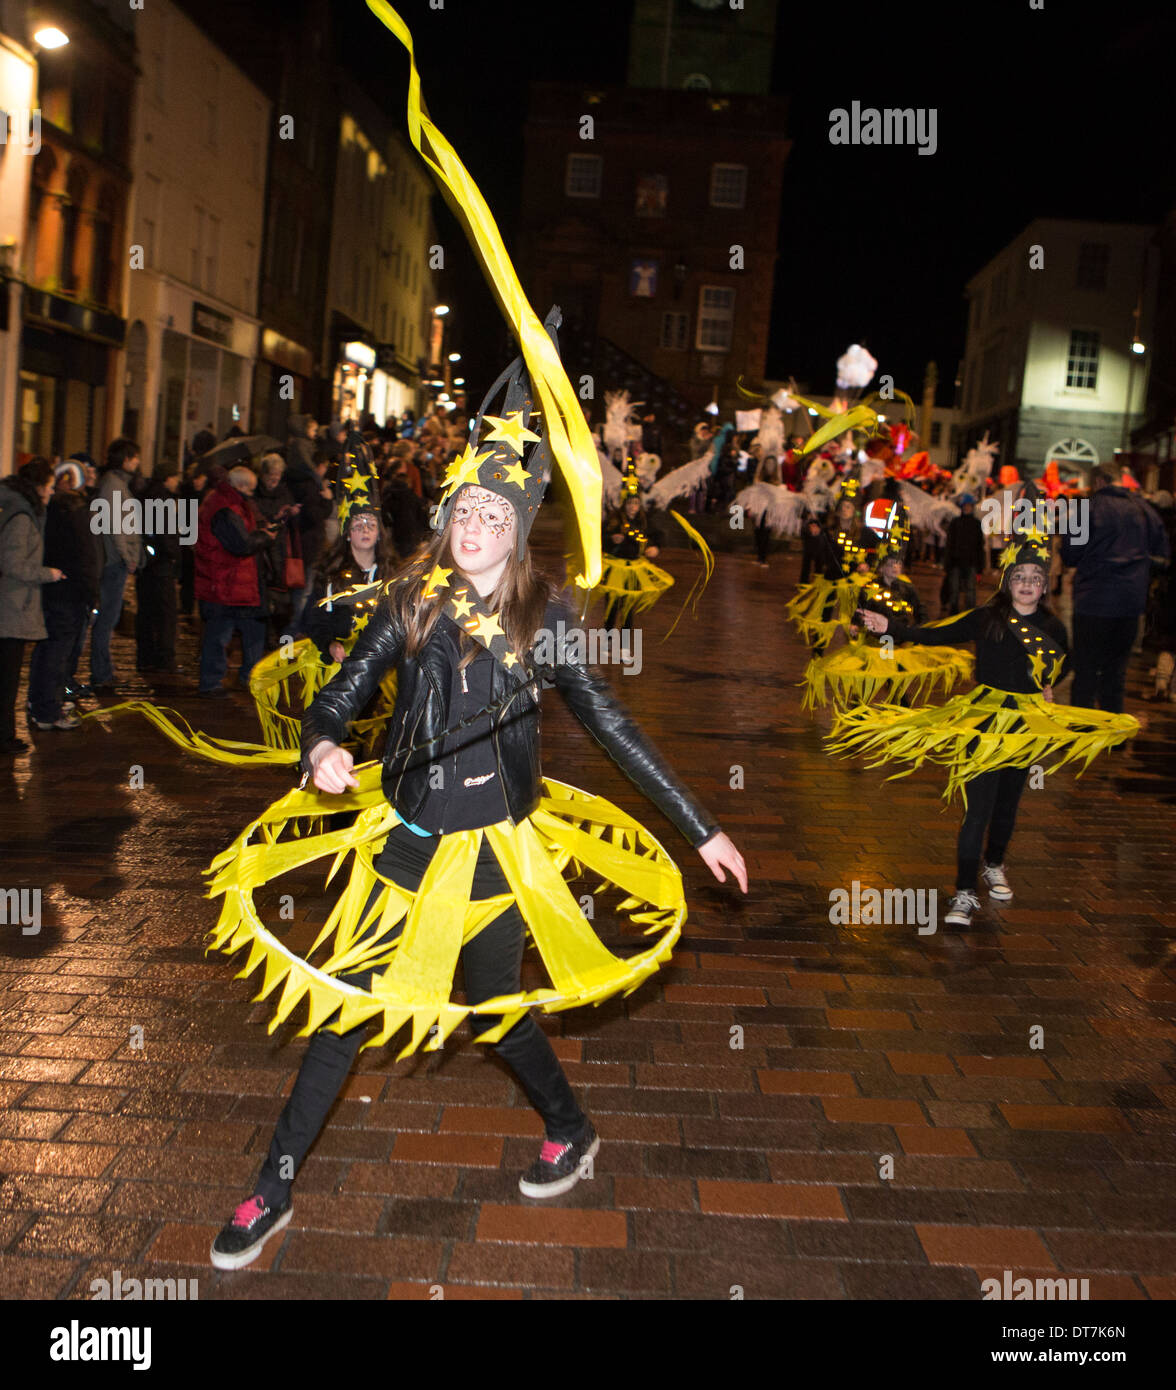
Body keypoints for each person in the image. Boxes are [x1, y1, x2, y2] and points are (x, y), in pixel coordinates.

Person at [208, 313, 747, 1269]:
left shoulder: (549, 621)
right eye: (466, 512)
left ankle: (570, 1127)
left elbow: (613, 727)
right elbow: (338, 692)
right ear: (450, 516)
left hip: (495, 845)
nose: (477, 528)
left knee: (496, 1006)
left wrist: (700, 826)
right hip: (409, 830)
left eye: (496, 517)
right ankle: (272, 1187)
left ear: (518, 530)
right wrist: (323, 744)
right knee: (345, 1001)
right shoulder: (410, 599)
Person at [846, 531, 1137, 929]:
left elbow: (1065, 664)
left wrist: (1050, 685)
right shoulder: (988, 618)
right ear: (1007, 581)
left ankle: (994, 864)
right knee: (977, 810)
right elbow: (935, 633)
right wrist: (891, 626)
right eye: (1020, 577)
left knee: (1007, 805)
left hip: (1024, 725)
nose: (1028, 585)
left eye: (1036, 577)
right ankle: (964, 891)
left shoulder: (1054, 626)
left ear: (1045, 583)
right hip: (983, 723)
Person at [1061, 465, 1170, 714]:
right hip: (1130, 602)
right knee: (1117, 670)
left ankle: (1081, 727)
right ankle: (1112, 728)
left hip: (1093, 600)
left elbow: (1070, 554)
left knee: (1086, 669)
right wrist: (1139, 562)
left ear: (1098, 481)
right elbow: (1163, 556)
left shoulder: (1085, 509)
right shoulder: (1145, 510)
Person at [301, 436, 397, 664]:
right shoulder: (330, 573)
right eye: (357, 526)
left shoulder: (391, 573)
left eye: (371, 525)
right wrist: (330, 644)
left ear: (379, 533)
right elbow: (314, 621)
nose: (365, 530)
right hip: (340, 666)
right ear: (347, 534)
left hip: (378, 667)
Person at [27, 461, 102, 730]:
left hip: (55, 589)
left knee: (49, 649)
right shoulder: (74, 512)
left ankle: (43, 702)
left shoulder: (50, 511)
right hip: (69, 592)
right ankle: (48, 708)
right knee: (58, 652)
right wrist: (93, 595)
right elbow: (86, 558)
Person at [193, 465, 279, 697]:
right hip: (227, 582)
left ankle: (244, 677)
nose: (252, 492)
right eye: (250, 488)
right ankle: (212, 683)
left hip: (234, 581)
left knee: (246, 630)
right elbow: (240, 544)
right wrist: (265, 537)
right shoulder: (225, 507)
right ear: (240, 486)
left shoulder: (225, 502)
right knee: (221, 634)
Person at [0, 458, 65, 751]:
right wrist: (46, 574)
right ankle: (3, 736)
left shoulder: (16, 509)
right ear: (38, 487)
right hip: (11, 605)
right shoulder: (22, 517)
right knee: (7, 676)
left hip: (11, 603)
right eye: (50, 487)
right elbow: (13, 564)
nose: (52, 492)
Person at [91, 437, 143, 695]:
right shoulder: (114, 485)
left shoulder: (117, 483)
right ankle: (101, 673)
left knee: (109, 618)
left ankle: (104, 670)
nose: (138, 462)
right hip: (113, 561)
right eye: (135, 457)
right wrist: (127, 555)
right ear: (125, 459)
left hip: (115, 559)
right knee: (107, 618)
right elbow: (115, 525)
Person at [135, 460, 182, 674]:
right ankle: (164, 657)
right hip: (161, 563)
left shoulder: (146, 495)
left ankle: (145, 655)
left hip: (147, 562)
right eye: (175, 477)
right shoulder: (162, 498)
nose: (177, 481)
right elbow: (166, 533)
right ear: (168, 478)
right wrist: (174, 552)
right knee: (165, 612)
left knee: (146, 610)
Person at [942, 493, 986, 614]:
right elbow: (949, 544)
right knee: (954, 590)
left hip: (971, 562)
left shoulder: (977, 524)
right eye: (965, 506)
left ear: (972, 507)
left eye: (969, 506)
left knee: (971, 590)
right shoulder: (955, 523)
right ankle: (954, 612)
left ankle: (970, 613)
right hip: (955, 562)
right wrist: (947, 563)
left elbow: (980, 546)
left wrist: (980, 567)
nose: (967, 508)